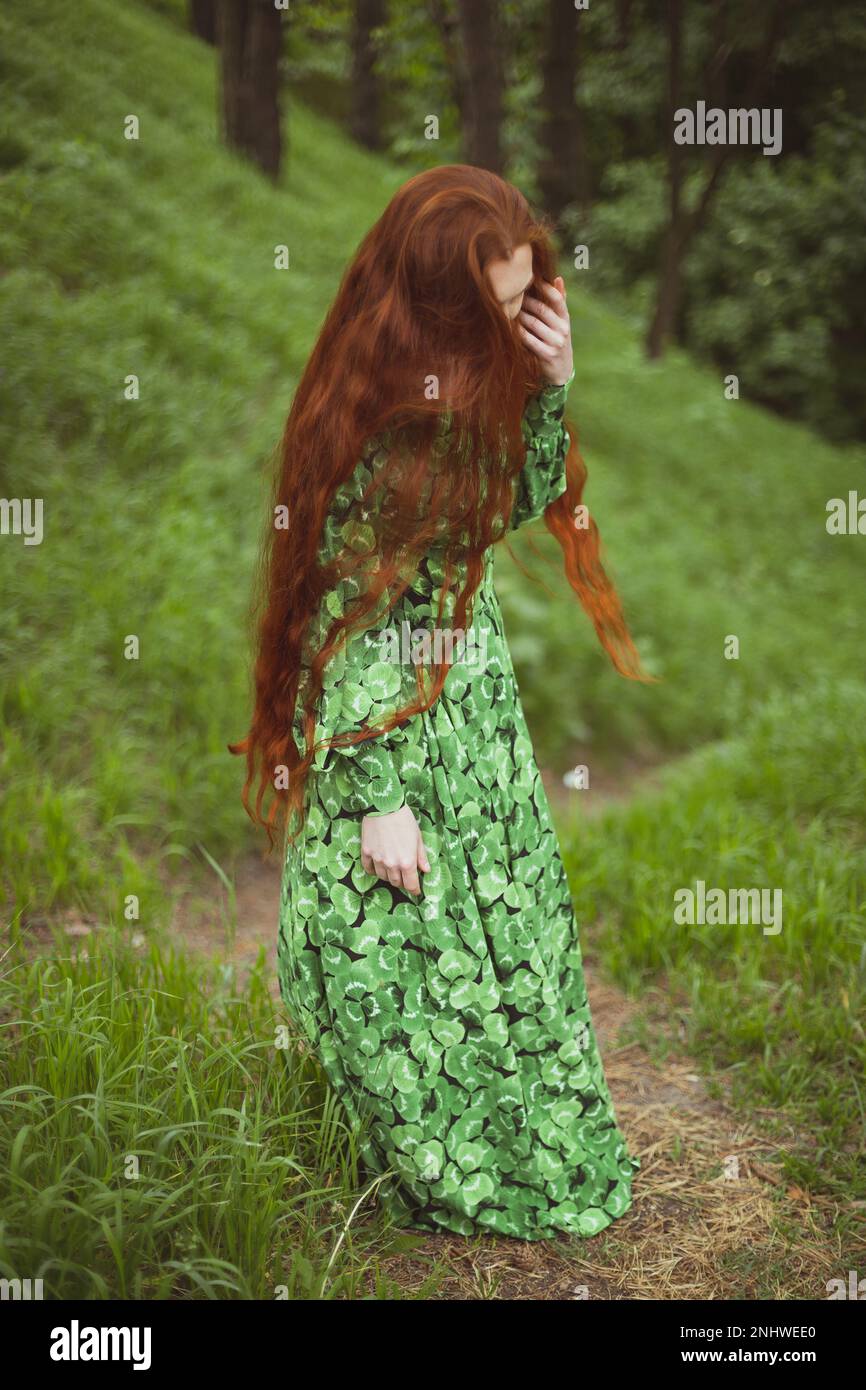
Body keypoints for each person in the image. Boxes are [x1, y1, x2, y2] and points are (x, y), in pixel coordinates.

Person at [233, 164, 648, 1241]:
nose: (518, 326)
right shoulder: (377, 422)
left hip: (468, 708)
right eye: (501, 311)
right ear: (440, 309)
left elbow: (505, 505)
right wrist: (376, 794)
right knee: (403, 946)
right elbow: (336, 618)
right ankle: (385, 1155)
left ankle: (508, 1120)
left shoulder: (461, 385)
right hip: (390, 729)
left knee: (501, 928)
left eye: (526, 301)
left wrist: (553, 382)